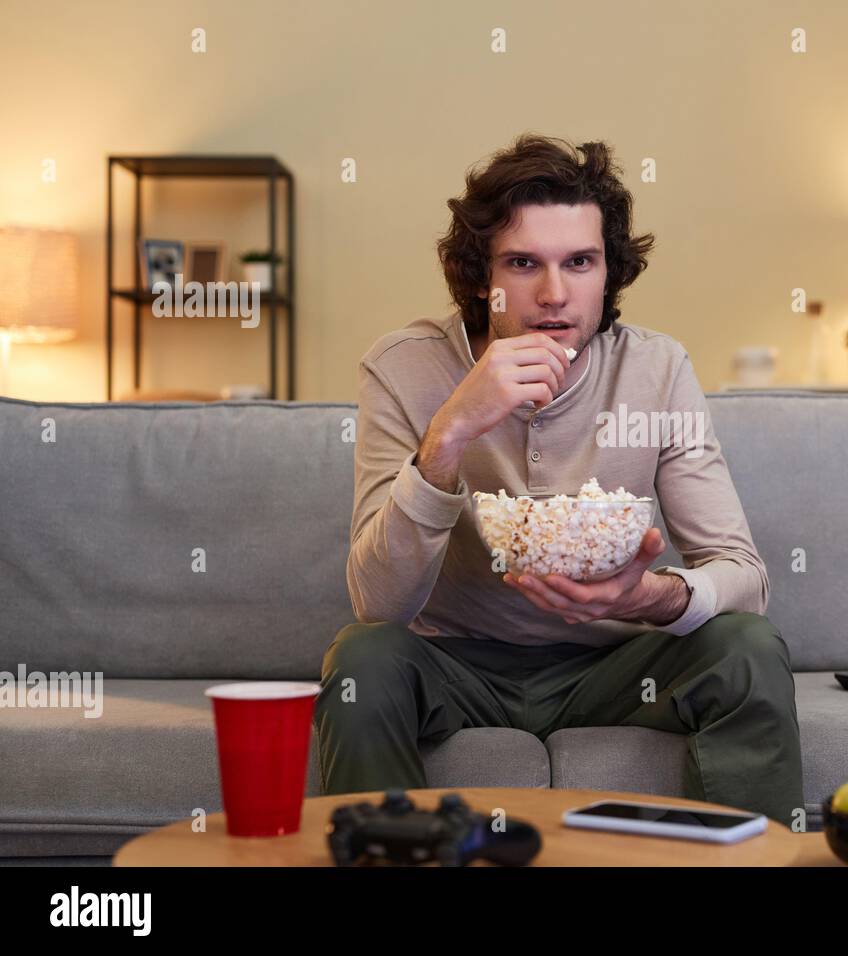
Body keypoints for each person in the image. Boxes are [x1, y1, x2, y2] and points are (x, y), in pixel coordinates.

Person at [313, 133, 804, 825]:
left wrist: (652, 597)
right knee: (363, 657)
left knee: (748, 648)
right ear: (479, 277)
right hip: (456, 666)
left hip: (620, 665)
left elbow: (744, 576)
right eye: (522, 263)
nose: (553, 294)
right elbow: (378, 603)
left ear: (610, 272)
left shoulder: (658, 371)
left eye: (580, 262)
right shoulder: (402, 368)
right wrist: (451, 430)